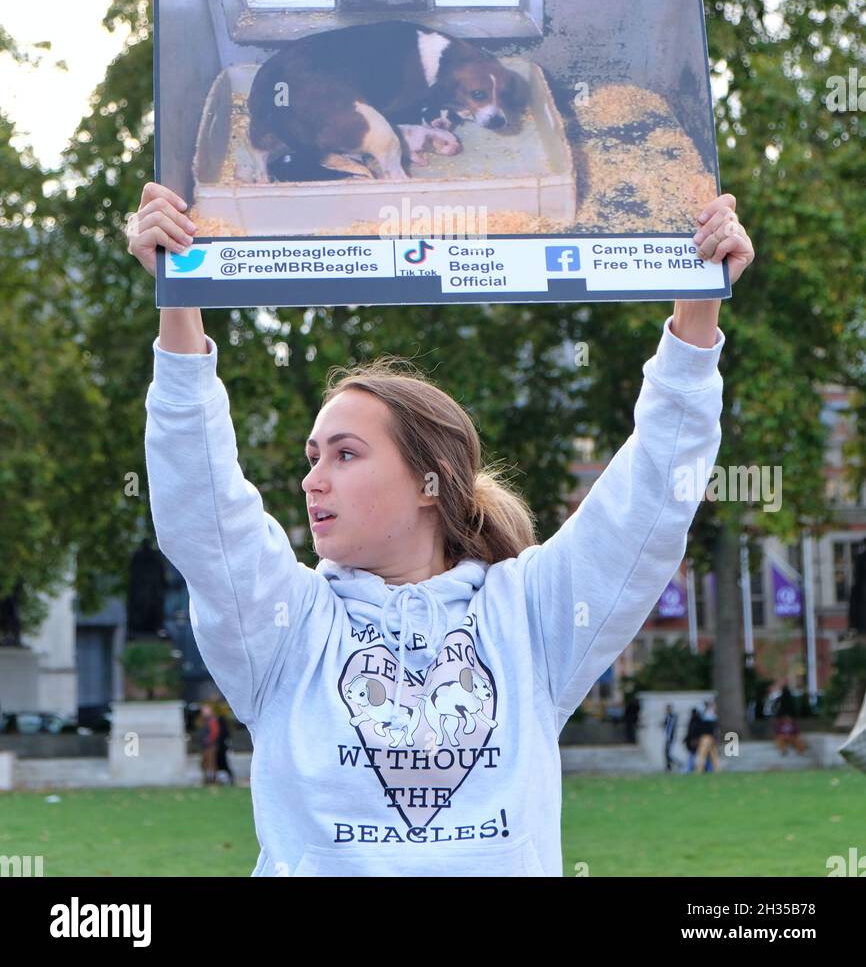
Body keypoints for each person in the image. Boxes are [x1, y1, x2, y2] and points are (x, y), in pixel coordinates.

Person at [129, 183, 753, 877]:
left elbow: (647, 506)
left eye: (345, 454)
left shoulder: (531, 617)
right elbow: (203, 505)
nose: (312, 480)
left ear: (430, 483)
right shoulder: (283, 626)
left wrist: (697, 310)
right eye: (313, 458)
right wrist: (177, 299)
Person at [695, 698, 720, 772]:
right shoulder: (707, 714)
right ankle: (699, 769)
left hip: (709, 737)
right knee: (703, 754)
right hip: (706, 737)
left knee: (713, 754)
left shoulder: (710, 714)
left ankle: (716, 769)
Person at [199, 702, 220, 785]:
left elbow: (215, 732)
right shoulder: (204, 720)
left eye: (206, 709)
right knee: (205, 763)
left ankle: (213, 780)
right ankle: (208, 780)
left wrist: (208, 740)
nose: (204, 711)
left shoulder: (212, 720)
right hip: (205, 746)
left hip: (210, 746)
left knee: (211, 763)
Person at [216, 708, 236, 785]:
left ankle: (227, 779)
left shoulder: (222, 729)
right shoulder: (225, 729)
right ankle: (227, 779)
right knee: (224, 764)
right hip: (223, 748)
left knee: (223, 764)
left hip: (221, 749)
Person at [662, 703, 682, 771]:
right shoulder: (667, 717)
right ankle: (669, 767)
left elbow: (671, 726)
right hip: (667, 737)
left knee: (668, 753)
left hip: (671, 737)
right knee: (666, 753)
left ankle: (678, 764)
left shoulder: (673, 716)